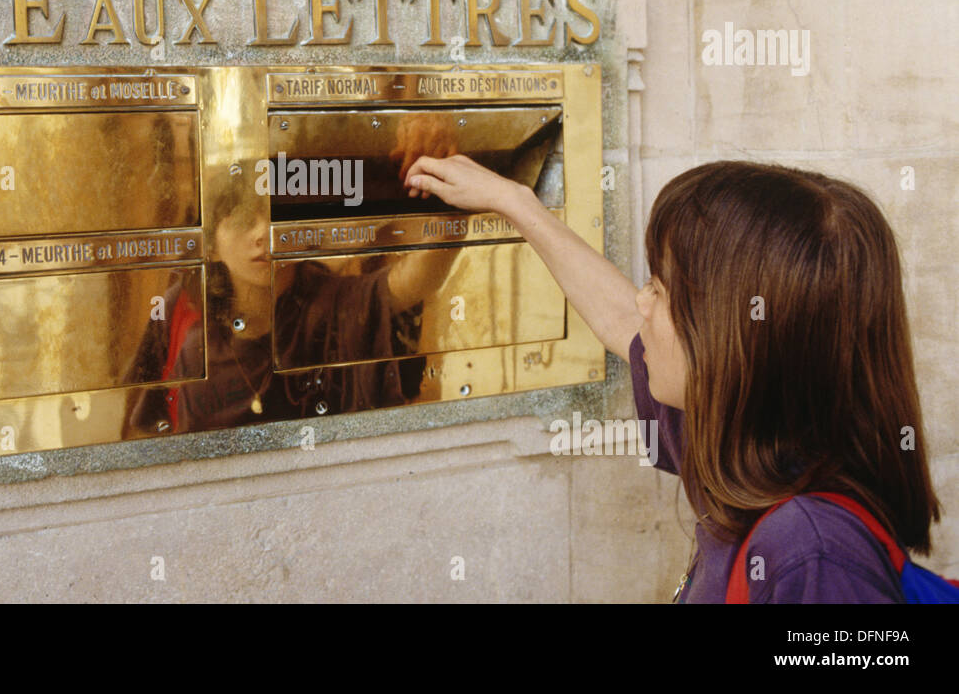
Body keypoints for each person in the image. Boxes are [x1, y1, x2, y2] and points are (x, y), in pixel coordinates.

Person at [403, 154, 942, 603]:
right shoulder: (738, 439)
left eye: (660, 290)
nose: (642, 303)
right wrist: (516, 202)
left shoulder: (814, 554)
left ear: (727, 343)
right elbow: (619, 321)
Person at [120, 177, 457, 437]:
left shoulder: (338, 304)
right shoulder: (196, 345)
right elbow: (153, 436)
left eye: (279, 216)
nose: (263, 233)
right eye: (241, 218)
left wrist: (432, 173)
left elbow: (426, 268)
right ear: (212, 247)